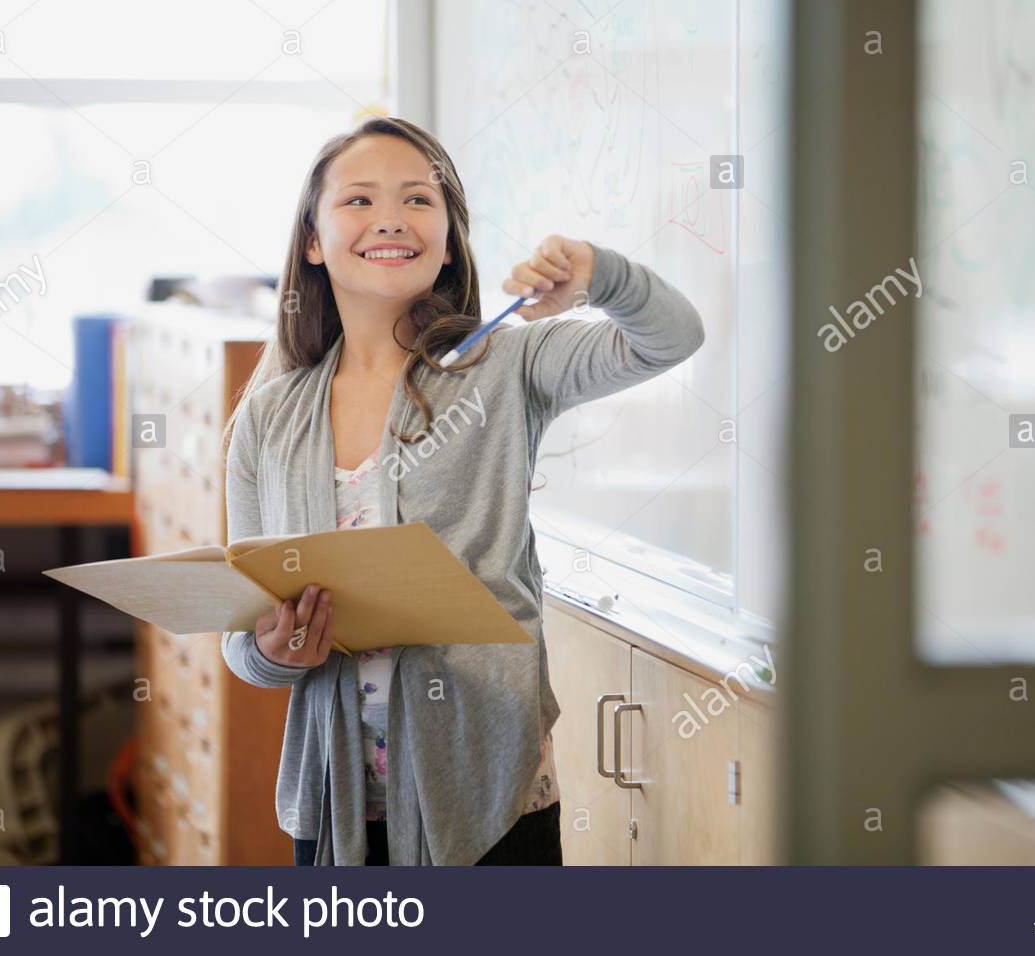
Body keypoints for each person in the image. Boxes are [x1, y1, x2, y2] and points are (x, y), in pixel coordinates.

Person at [219, 116, 705, 865]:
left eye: (418, 200)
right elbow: (242, 642)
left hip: (491, 799)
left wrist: (598, 276)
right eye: (358, 201)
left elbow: (673, 337)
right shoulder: (269, 415)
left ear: (447, 239)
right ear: (312, 242)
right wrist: (277, 651)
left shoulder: (506, 366)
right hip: (336, 806)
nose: (390, 218)